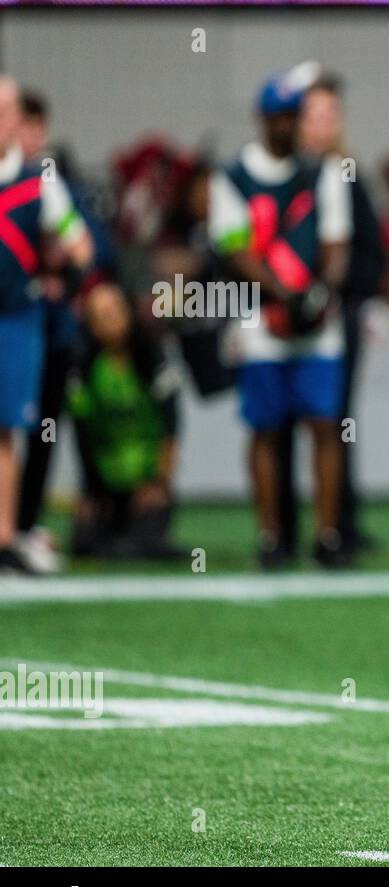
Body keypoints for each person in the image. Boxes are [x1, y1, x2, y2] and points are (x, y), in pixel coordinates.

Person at [208, 65, 352, 569]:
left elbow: (337, 245)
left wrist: (321, 290)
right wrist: (284, 292)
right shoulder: (233, 176)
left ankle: (327, 534)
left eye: (295, 116)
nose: (288, 126)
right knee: (265, 427)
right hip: (260, 320)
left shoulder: (324, 172)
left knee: (324, 424)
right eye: (280, 117)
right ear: (262, 119)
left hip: (318, 323)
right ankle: (271, 535)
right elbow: (233, 248)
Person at [0, 75, 93, 574]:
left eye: (6, 110)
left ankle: (6, 534)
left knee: (9, 427)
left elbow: (80, 245)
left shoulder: (40, 183)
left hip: (16, 318)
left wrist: (63, 269)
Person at [298, 71, 386, 556]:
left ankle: (338, 524)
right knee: (281, 423)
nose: (322, 125)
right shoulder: (285, 177)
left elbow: (372, 253)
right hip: (282, 319)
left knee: (335, 419)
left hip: (337, 318)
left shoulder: (349, 177)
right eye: (313, 115)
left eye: (329, 115)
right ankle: (283, 528)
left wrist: (344, 298)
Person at [68, 283, 181, 559]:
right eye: (100, 316)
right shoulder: (83, 367)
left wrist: (158, 483)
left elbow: (171, 426)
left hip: (145, 482)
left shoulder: (152, 359)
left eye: (114, 312)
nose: (110, 321)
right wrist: (91, 491)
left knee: (147, 545)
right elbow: (81, 434)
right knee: (85, 544)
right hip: (104, 482)